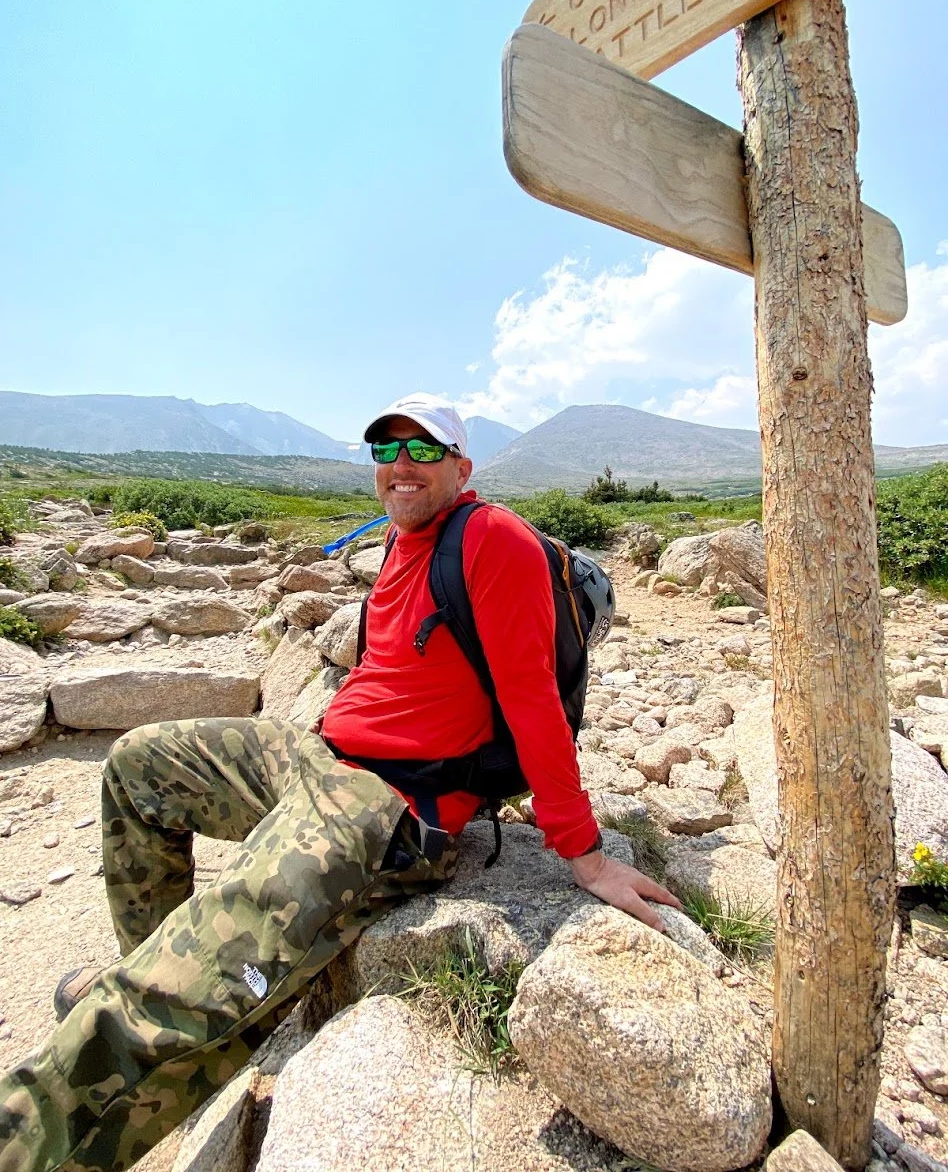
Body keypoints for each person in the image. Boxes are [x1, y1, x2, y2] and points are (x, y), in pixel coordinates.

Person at [0, 393, 679, 1172]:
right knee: (138, 766)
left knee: (177, 990)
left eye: (423, 451)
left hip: (388, 804)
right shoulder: (401, 543)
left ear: (462, 466)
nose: (400, 466)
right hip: (318, 757)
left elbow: (533, 705)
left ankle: (50, 1117)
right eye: (385, 451)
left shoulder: (492, 538)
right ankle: (150, 960)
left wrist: (585, 854)